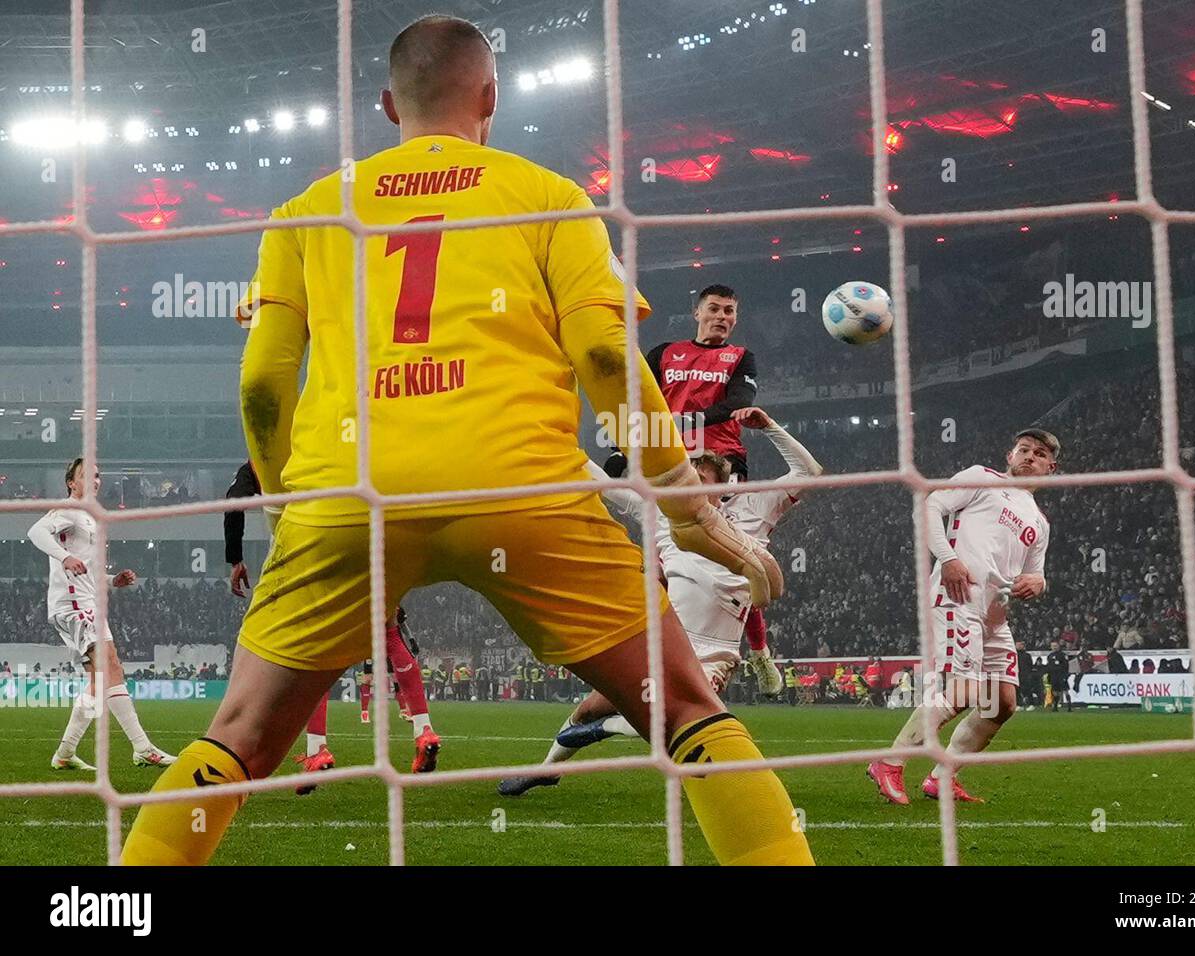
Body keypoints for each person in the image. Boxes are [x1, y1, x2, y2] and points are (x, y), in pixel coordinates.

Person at [122, 15, 806, 867]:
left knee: (241, 738)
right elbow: (602, 355)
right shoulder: (550, 197)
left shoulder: (305, 211)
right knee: (688, 713)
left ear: (386, 105)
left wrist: (284, 499)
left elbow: (263, 384)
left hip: (350, 496)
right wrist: (687, 505)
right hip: (520, 492)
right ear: (491, 97)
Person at [498, 409, 820, 795]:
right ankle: (547, 769)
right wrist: (556, 442)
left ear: (722, 488)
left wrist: (768, 426)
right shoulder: (662, 516)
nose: (688, 487)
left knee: (664, 719)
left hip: (712, 654)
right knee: (588, 709)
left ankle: (606, 735)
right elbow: (601, 484)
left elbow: (808, 472)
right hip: (664, 643)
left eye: (700, 480)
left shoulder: (754, 511)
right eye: (685, 479)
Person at [224, 460, 440, 790]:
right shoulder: (331, 443)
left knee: (316, 650)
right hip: (366, 537)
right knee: (390, 632)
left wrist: (236, 558)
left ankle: (317, 751)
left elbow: (233, 502)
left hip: (309, 554)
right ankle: (424, 729)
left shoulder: (264, 457)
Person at [868, 429, 1056, 805]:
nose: (1029, 457)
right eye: (1023, 450)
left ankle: (942, 777)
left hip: (995, 616)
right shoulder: (983, 478)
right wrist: (948, 559)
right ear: (1009, 455)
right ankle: (890, 761)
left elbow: (1034, 574)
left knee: (1001, 704)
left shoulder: (1039, 522)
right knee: (966, 689)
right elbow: (929, 506)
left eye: (1039, 454)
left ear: (1052, 467)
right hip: (960, 597)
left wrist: (1040, 582)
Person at [618, 286, 782, 697]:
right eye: (714, 309)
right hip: (669, 467)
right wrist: (618, 448)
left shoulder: (740, 357)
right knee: (660, 557)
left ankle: (759, 653)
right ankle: (669, 650)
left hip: (722, 465)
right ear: (697, 312)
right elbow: (637, 400)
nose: (722, 316)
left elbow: (735, 403)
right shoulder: (663, 353)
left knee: (730, 561)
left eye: (730, 310)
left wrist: (680, 424)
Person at [30, 457, 175, 771]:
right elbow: (35, 532)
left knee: (98, 683)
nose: (95, 481)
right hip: (73, 606)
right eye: (87, 476)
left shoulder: (89, 518)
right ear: (72, 483)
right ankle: (142, 747)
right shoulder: (67, 509)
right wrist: (64, 555)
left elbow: (87, 571)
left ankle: (65, 754)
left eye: (97, 476)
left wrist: (112, 581)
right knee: (111, 668)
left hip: (89, 603)